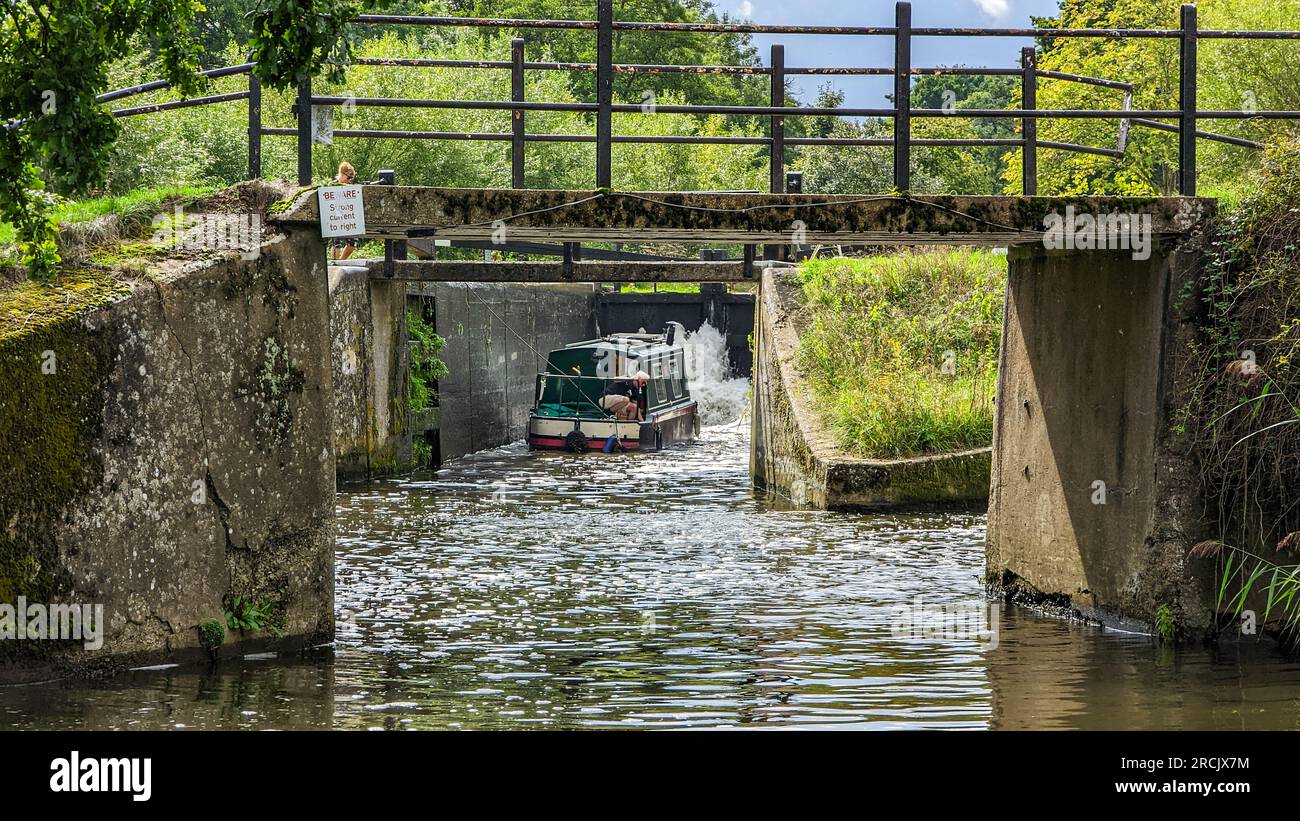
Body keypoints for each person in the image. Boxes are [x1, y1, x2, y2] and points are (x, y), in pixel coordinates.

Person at [331, 161, 359, 261]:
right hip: (335, 218)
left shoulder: (350, 188)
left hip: (348, 218)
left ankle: (341, 262)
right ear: (342, 174)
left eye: (352, 178)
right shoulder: (331, 186)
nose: (350, 180)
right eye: (349, 177)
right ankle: (334, 263)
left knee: (352, 244)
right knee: (336, 244)